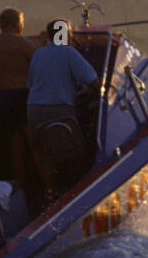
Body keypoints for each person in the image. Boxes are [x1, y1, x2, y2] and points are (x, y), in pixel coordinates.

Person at [26, 19, 99, 204]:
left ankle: (50, 190)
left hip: (33, 109)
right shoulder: (69, 52)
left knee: (40, 148)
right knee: (79, 151)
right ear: (65, 34)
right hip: (59, 110)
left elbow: (31, 84)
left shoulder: (38, 54)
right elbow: (94, 81)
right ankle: (80, 191)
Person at [0, 8, 36, 181]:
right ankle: (46, 184)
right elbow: (39, 64)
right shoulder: (22, 43)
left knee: (13, 146)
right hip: (22, 97)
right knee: (32, 142)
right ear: (16, 24)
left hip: (1, 99)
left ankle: (19, 186)